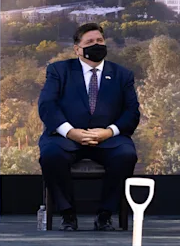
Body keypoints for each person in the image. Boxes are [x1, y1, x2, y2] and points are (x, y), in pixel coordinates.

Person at [38, 23, 140, 232]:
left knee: (126, 154)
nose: (97, 45)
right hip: (66, 136)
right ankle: (68, 214)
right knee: (50, 154)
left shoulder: (122, 75)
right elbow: (47, 105)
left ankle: (105, 215)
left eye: (100, 41)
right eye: (90, 42)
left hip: (107, 137)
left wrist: (108, 131)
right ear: (77, 49)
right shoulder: (58, 70)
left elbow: (132, 112)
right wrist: (70, 132)